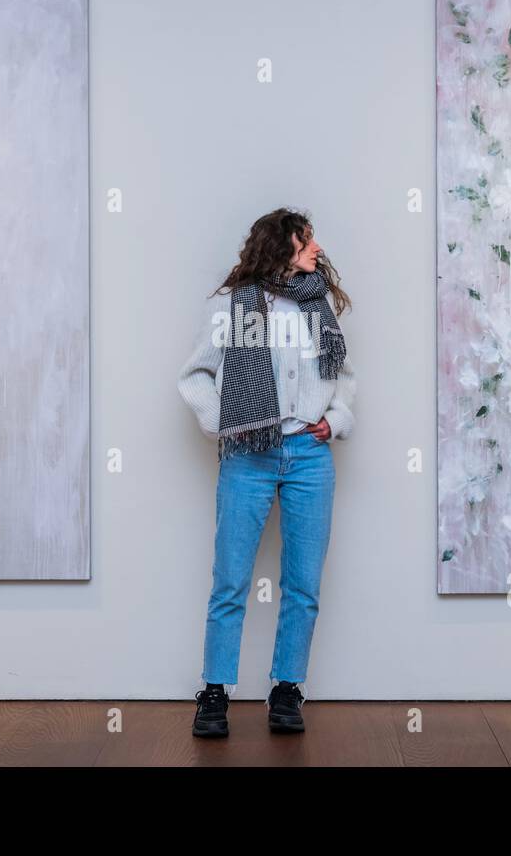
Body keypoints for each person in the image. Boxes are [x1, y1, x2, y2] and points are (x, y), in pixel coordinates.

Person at [176, 207, 356, 737]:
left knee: (302, 583)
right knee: (231, 580)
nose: (317, 249)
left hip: (308, 455)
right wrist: (226, 421)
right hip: (248, 455)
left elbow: (343, 375)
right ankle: (214, 694)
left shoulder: (318, 306)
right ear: (280, 248)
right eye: (306, 242)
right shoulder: (234, 306)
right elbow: (194, 377)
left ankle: (286, 690)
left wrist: (336, 419)